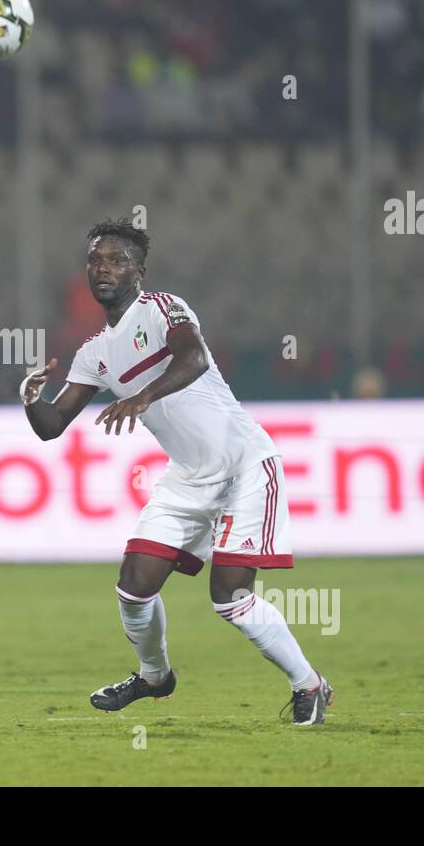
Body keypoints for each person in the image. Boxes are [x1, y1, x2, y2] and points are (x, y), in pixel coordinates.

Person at [21, 218, 333, 725]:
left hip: (244, 467)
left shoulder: (164, 308)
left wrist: (142, 396)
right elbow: (53, 425)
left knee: (230, 600)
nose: (103, 269)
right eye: (96, 260)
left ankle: (310, 684)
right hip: (189, 477)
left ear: (139, 271)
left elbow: (195, 357)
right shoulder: (95, 352)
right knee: (133, 586)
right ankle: (154, 676)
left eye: (116, 260)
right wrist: (31, 399)